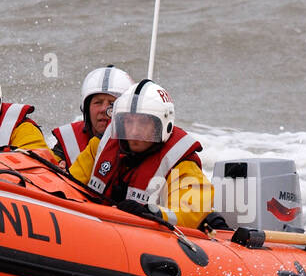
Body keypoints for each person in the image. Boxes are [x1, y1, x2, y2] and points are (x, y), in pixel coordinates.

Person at [68, 79, 225, 232]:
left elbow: (189, 211)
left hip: (151, 241)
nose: (134, 131)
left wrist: (151, 213)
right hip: (97, 228)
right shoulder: (100, 146)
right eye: (129, 122)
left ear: (162, 125)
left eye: (143, 123)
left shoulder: (180, 163)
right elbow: (68, 185)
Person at [51, 65, 133, 167]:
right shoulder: (69, 139)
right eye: (98, 102)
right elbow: (48, 164)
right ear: (86, 109)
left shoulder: (137, 144)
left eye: (112, 103)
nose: (104, 109)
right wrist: (57, 168)